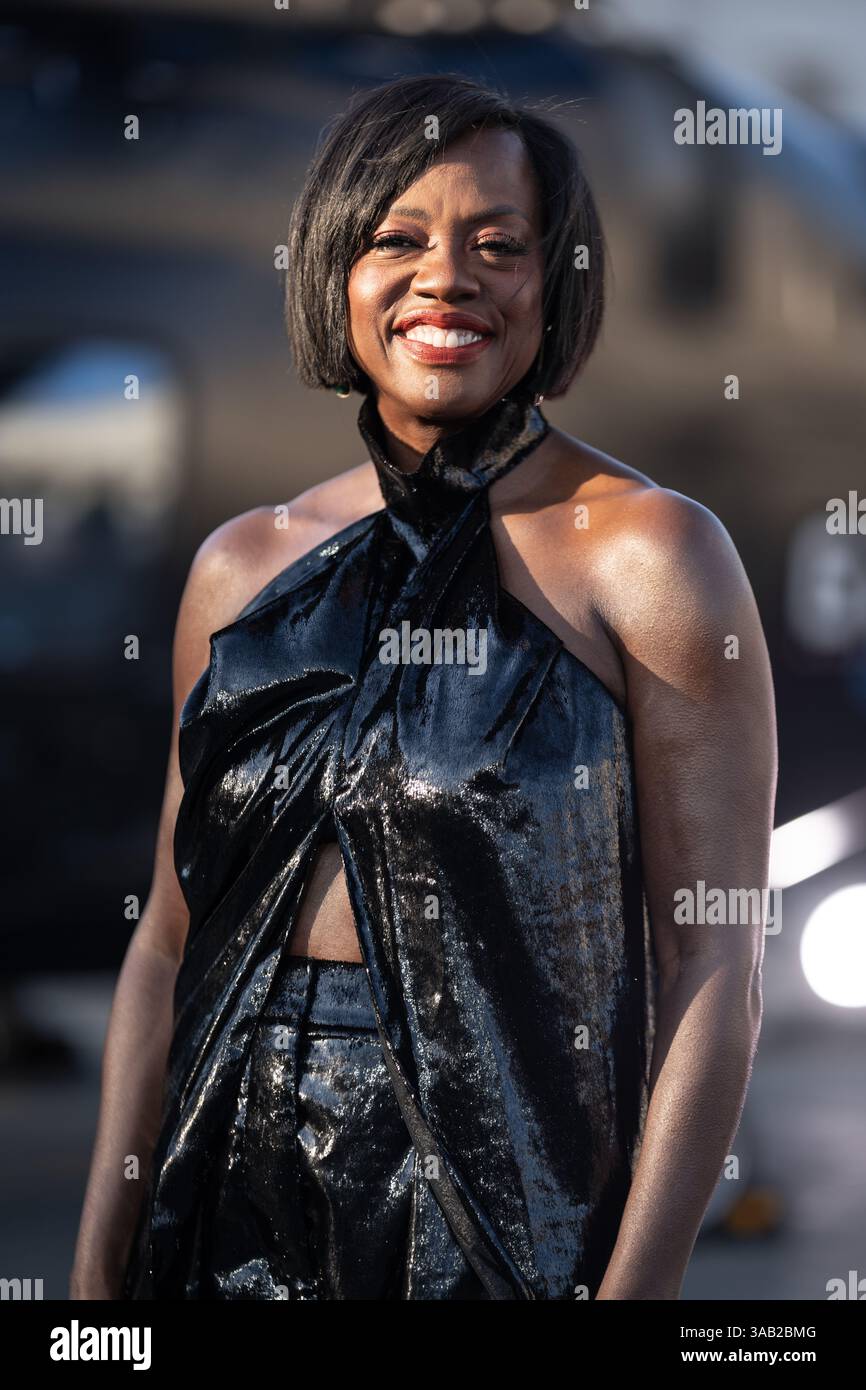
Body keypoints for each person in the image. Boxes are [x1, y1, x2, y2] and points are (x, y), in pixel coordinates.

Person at [71, 74, 776, 1301]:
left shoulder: (650, 554)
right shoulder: (239, 567)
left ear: (552, 283)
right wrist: (92, 1284)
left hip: (501, 1210)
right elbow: (163, 948)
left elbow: (711, 955)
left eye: (496, 245)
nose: (445, 278)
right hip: (223, 1193)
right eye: (397, 239)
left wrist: (633, 1297)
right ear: (333, 271)